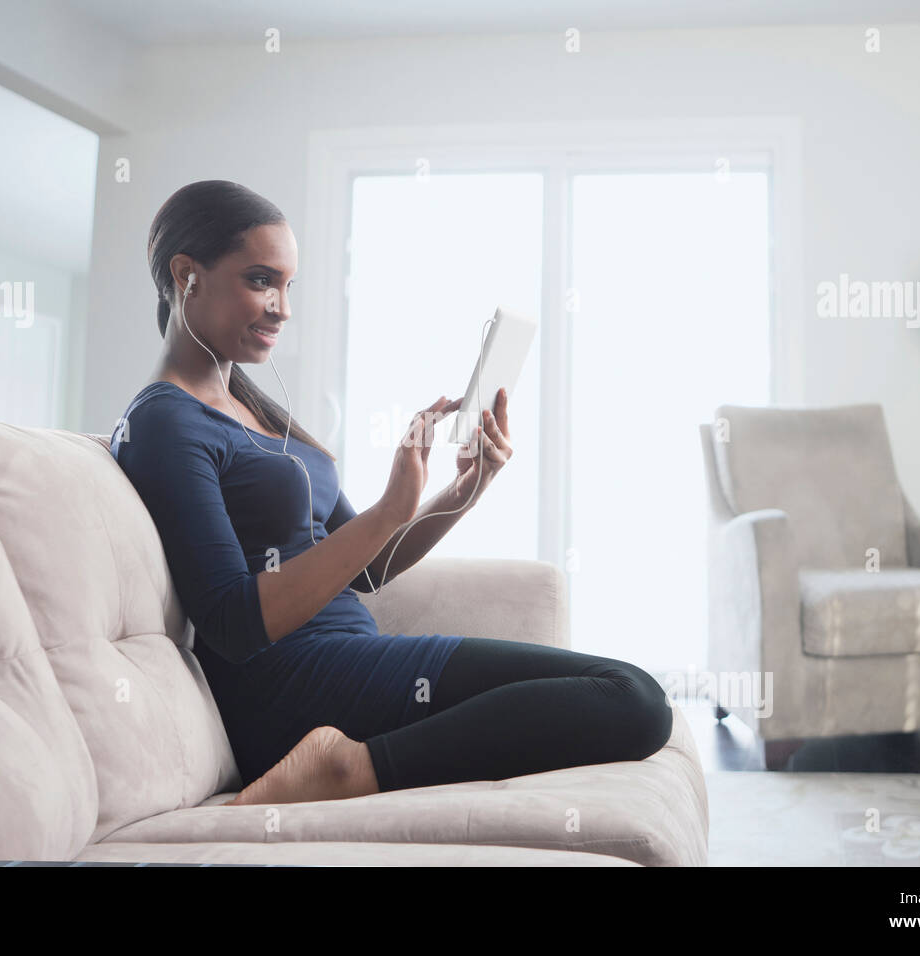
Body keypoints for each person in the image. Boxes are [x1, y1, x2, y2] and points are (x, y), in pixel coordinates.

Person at [111, 180, 673, 806]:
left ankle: (361, 761)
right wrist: (386, 511)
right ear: (186, 275)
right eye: (261, 280)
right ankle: (350, 769)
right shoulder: (165, 422)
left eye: (289, 287)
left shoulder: (250, 407)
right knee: (635, 698)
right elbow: (232, 625)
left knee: (627, 694)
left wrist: (464, 489)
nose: (282, 307)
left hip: (350, 660)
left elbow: (370, 571)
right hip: (285, 688)